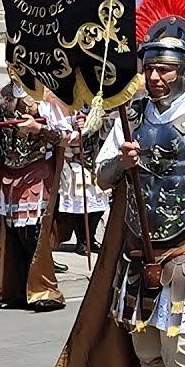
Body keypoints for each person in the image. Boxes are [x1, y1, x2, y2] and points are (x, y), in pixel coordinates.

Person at [42, 0, 185, 367]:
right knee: (146, 352)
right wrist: (121, 162)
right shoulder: (129, 116)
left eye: (165, 69)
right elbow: (101, 175)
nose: (155, 77)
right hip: (135, 257)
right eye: (150, 68)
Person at [0, 81, 70, 311]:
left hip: (36, 170)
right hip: (8, 172)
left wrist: (39, 129)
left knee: (33, 233)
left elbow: (68, 136)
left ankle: (45, 290)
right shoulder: (2, 96)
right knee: (13, 234)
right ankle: (17, 290)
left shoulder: (47, 99)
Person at [55, 104, 109, 257]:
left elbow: (104, 134)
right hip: (73, 164)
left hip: (93, 162)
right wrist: (76, 122)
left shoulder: (94, 106)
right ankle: (82, 241)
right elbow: (68, 138)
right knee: (79, 206)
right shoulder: (65, 107)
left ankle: (90, 237)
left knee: (99, 205)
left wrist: (101, 118)